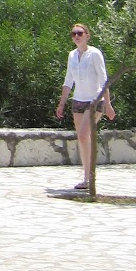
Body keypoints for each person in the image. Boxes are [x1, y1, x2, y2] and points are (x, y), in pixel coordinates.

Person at [55, 24, 115, 191]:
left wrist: (108, 104)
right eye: (73, 33)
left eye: (80, 33)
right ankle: (87, 177)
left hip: (95, 101)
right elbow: (68, 81)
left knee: (83, 135)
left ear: (87, 35)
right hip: (78, 100)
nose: (76, 36)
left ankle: (89, 178)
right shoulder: (72, 55)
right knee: (83, 139)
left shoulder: (95, 54)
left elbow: (104, 80)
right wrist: (62, 103)